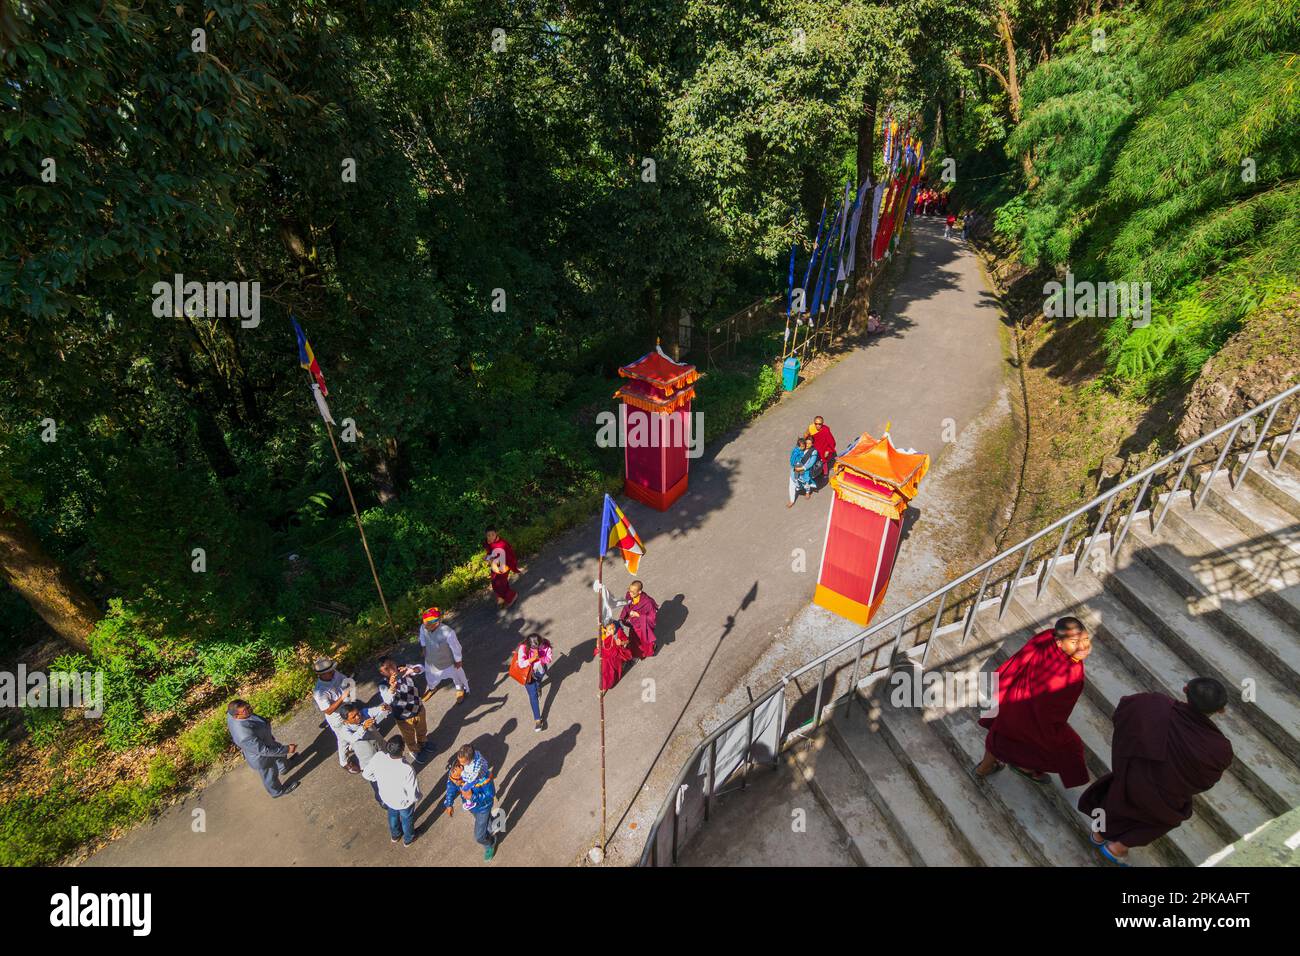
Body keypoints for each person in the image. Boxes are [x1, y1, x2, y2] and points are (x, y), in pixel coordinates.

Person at [1077, 678, 1234, 866]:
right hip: (1165, 797)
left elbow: (1122, 715)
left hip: (1132, 773)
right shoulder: (1220, 749)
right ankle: (1118, 847)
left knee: (1120, 796)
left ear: (1185, 689)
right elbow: (1206, 782)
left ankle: (1099, 833)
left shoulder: (1152, 705)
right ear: (1221, 710)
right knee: (1166, 817)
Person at [974, 617, 1091, 787]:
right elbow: (1054, 711)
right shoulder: (1069, 673)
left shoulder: (1046, 637)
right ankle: (1021, 767)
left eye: (1086, 639)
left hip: (1010, 699)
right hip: (1027, 713)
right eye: (1074, 642)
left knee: (998, 736)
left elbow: (1019, 662)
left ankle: (984, 769)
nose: (1083, 646)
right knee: (1069, 749)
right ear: (1059, 643)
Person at [226, 699, 298, 797]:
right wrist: (288, 749)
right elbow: (264, 751)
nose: (250, 708)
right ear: (236, 716)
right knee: (270, 774)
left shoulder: (232, 714)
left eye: (248, 705)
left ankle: (284, 767)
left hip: (266, 741)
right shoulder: (244, 735)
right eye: (245, 709)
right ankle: (277, 792)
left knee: (278, 751)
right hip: (262, 757)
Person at [363, 737, 421, 847]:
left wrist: (378, 779)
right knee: (406, 819)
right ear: (402, 749)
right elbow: (413, 793)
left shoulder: (379, 757)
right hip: (404, 803)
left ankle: (395, 835)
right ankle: (408, 839)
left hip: (387, 797)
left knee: (392, 816)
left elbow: (366, 774)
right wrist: (416, 799)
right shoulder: (407, 769)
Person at [444, 744, 499, 861]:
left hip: (483, 807)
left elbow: (490, 795)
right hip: (471, 807)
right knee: (486, 823)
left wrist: (472, 796)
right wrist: (449, 803)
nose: (461, 766)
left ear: (470, 760)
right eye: (459, 762)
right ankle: (492, 824)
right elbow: (452, 785)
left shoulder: (481, 775)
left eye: (463, 763)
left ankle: (490, 843)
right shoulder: (459, 768)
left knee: (479, 836)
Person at [377, 657, 432, 761]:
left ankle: (423, 742)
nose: (392, 669)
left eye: (391, 664)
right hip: (403, 717)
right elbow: (387, 699)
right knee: (409, 736)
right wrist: (392, 687)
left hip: (418, 708)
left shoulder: (404, 668)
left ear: (394, 662)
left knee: (422, 729)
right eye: (386, 669)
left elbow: (421, 668)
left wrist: (411, 670)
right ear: (382, 673)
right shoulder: (383, 685)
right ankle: (414, 750)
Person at [312, 657, 357, 771]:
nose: (333, 672)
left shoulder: (334, 673)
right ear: (322, 674)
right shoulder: (320, 691)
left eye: (332, 670)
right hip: (337, 717)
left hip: (347, 708)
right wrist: (343, 697)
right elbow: (328, 710)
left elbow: (344, 680)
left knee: (355, 728)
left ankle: (353, 745)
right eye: (329, 672)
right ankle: (344, 762)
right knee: (342, 740)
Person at [417, 607, 469, 704]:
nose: (425, 626)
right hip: (431, 660)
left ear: (436, 623)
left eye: (428, 624)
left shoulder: (448, 632)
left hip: (447, 661)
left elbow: (456, 647)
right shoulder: (423, 627)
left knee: (455, 675)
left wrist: (458, 660)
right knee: (430, 676)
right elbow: (422, 636)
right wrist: (424, 647)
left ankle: (459, 688)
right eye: (424, 623)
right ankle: (432, 688)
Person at [511, 633, 553, 732]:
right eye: (533, 648)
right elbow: (521, 664)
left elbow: (549, 659)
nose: (536, 650)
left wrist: (540, 659)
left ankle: (538, 686)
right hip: (527, 675)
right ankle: (538, 719)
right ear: (528, 645)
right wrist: (533, 658)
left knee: (538, 682)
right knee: (533, 696)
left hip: (540, 671)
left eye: (537, 647)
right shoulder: (523, 648)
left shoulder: (545, 645)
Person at [619, 580, 659, 659]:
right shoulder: (629, 595)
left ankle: (651, 649)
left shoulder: (647, 602)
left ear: (640, 591)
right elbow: (626, 606)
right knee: (634, 642)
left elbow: (652, 618)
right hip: (633, 625)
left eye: (633, 592)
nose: (630, 593)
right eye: (629, 590)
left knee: (645, 642)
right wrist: (623, 617)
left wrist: (639, 615)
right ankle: (635, 655)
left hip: (642, 626)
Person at [484, 529, 519, 607]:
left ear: (496, 533)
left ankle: (511, 596)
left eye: (492, 534)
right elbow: (490, 553)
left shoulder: (502, 544)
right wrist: (487, 557)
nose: (491, 537)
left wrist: (491, 558)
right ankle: (501, 599)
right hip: (495, 566)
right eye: (488, 535)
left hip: (504, 566)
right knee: (494, 583)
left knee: (500, 584)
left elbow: (507, 555)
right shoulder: (489, 542)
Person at [594, 621, 632, 692]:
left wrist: (622, 642)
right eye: (610, 629)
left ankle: (610, 682)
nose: (612, 630)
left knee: (614, 672)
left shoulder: (618, 633)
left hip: (615, 657)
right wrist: (598, 644)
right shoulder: (603, 634)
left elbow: (627, 640)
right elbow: (598, 640)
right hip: (606, 657)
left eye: (613, 628)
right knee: (605, 672)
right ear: (606, 629)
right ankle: (605, 687)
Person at [787, 435, 819, 507]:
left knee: (806, 483)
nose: (807, 445)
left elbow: (811, 463)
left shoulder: (814, 451)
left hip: (805, 471)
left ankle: (807, 492)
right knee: (792, 483)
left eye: (809, 443)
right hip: (795, 469)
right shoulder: (800, 448)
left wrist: (802, 468)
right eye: (806, 443)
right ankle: (792, 500)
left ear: (812, 444)